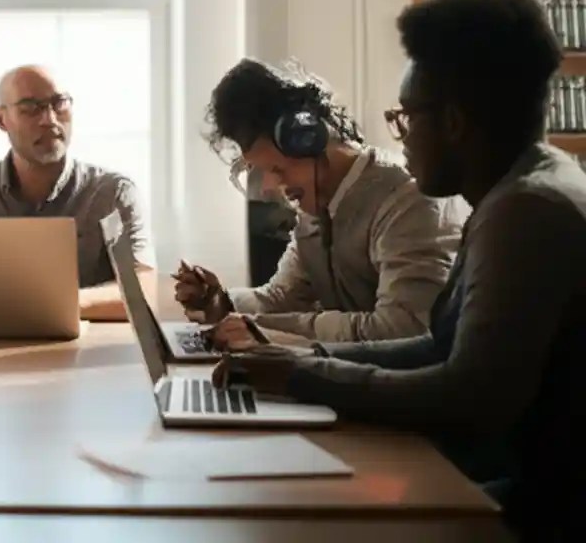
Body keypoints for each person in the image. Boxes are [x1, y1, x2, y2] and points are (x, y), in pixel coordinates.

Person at [214, 0, 586, 537]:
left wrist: (305, 374)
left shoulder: (525, 212)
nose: (401, 138)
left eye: (407, 116)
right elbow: (440, 347)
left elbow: (467, 396)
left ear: (454, 122)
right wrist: (305, 361)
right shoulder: (522, 188)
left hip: (537, 510)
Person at [174, 58, 464, 348]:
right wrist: (221, 302)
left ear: (307, 138)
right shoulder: (316, 210)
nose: (269, 186)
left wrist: (267, 330)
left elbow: (404, 328)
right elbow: (281, 298)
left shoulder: (408, 201)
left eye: (276, 169)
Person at [0, 65, 152, 319]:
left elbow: (143, 290)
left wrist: (50, 305)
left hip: (86, 341)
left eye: (59, 103)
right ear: (2, 119)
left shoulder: (113, 194)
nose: (49, 120)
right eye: (30, 108)